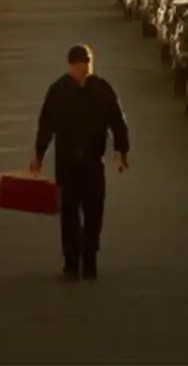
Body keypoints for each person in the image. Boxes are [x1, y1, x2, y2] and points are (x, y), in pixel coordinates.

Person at [30, 44, 130, 281]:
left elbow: (117, 120)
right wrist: (39, 155)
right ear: (71, 65)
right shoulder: (59, 91)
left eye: (89, 62)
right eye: (81, 63)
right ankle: (71, 263)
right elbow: (46, 125)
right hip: (67, 165)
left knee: (94, 214)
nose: (85, 67)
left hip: (93, 164)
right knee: (70, 214)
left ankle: (90, 260)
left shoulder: (102, 89)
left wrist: (121, 150)